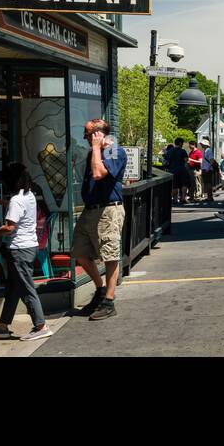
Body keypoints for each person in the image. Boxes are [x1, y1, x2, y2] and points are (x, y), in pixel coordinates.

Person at [0, 163, 52, 341]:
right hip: (29, 246)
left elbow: (10, 227)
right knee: (13, 289)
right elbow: (15, 207)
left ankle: (41, 325)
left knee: (26, 289)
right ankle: (3, 326)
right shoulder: (28, 195)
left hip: (19, 249)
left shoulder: (17, 200)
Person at [72, 118, 127, 321]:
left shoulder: (114, 151)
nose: (85, 138)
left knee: (110, 254)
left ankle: (109, 300)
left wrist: (96, 148)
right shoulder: (92, 153)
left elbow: (98, 173)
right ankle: (100, 289)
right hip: (90, 209)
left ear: (98, 134)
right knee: (79, 252)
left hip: (108, 210)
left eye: (88, 135)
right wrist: (94, 149)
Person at [164, 137, 189, 205]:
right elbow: (186, 160)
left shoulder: (170, 151)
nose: (183, 144)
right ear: (180, 143)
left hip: (172, 170)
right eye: (182, 143)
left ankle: (175, 200)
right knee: (184, 184)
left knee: (174, 186)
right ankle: (183, 198)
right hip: (182, 169)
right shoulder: (182, 151)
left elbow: (166, 159)